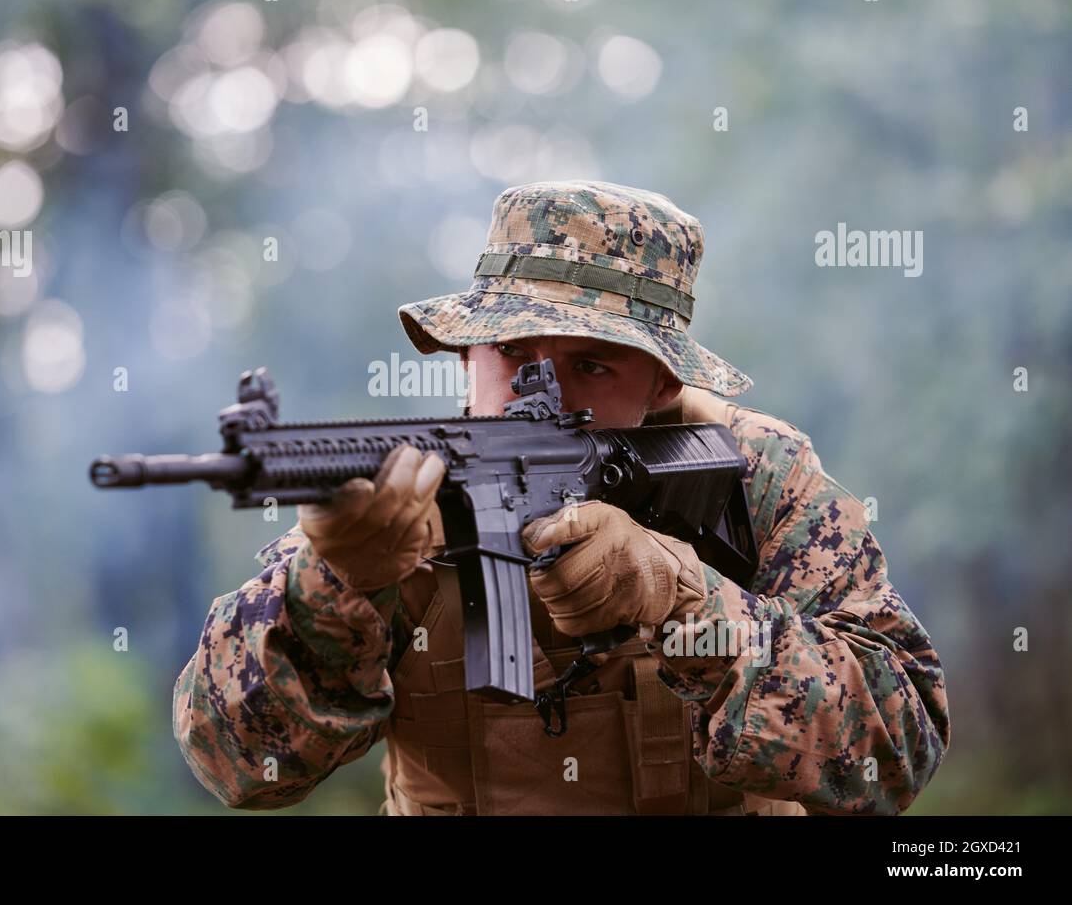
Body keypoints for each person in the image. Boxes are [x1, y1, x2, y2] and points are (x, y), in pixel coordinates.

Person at [172, 181, 951, 815]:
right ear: (466, 352)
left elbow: (896, 754)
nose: (534, 393)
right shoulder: (397, 490)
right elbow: (241, 767)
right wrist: (332, 588)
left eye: (593, 366)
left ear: (664, 382)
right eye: (510, 352)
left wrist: (685, 601)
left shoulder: (754, 476)